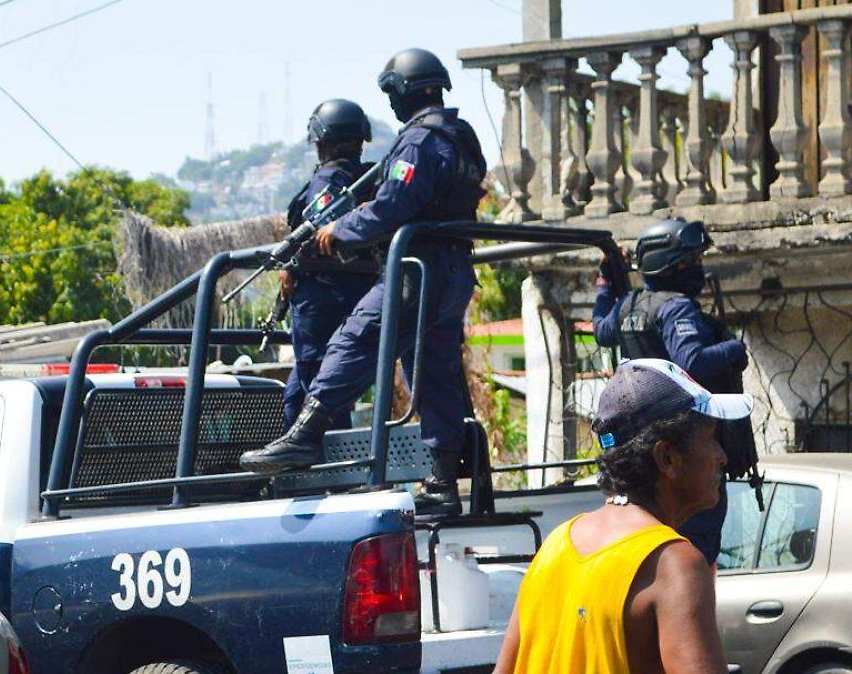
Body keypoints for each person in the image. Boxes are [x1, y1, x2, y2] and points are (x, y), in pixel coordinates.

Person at [240, 48, 487, 513]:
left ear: (400, 92)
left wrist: (340, 230)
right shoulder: (461, 136)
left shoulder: (418, 141)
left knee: (352, 343)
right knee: (433, 374)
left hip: (417, 269)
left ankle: (306, 437)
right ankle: (442, 485)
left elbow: (392, 206)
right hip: (453, 272)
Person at [494, 358, 748, 674]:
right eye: (710, 438)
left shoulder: (556, 544)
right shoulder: (672, 564)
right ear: (667, 457)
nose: (721, 456)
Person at [593, 217, 755, 566]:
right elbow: (692, 360)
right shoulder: (675, 306)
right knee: (696, 553)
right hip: (685, 443)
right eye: (688, 261)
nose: (697, 268)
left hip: (645, 446)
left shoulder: (629, 305)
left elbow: (601, 330)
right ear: (665, 266)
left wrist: (606, 287)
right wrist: (734, 349)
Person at [279, 99, 379, 430]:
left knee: (320, 392)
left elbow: (320, 233)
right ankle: (309, 475)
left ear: (320, 141)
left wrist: (292, 265)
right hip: (359, 292)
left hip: (323, 297)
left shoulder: (328, 181)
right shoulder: (371, 180)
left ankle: (333, 479)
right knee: (299, 395)